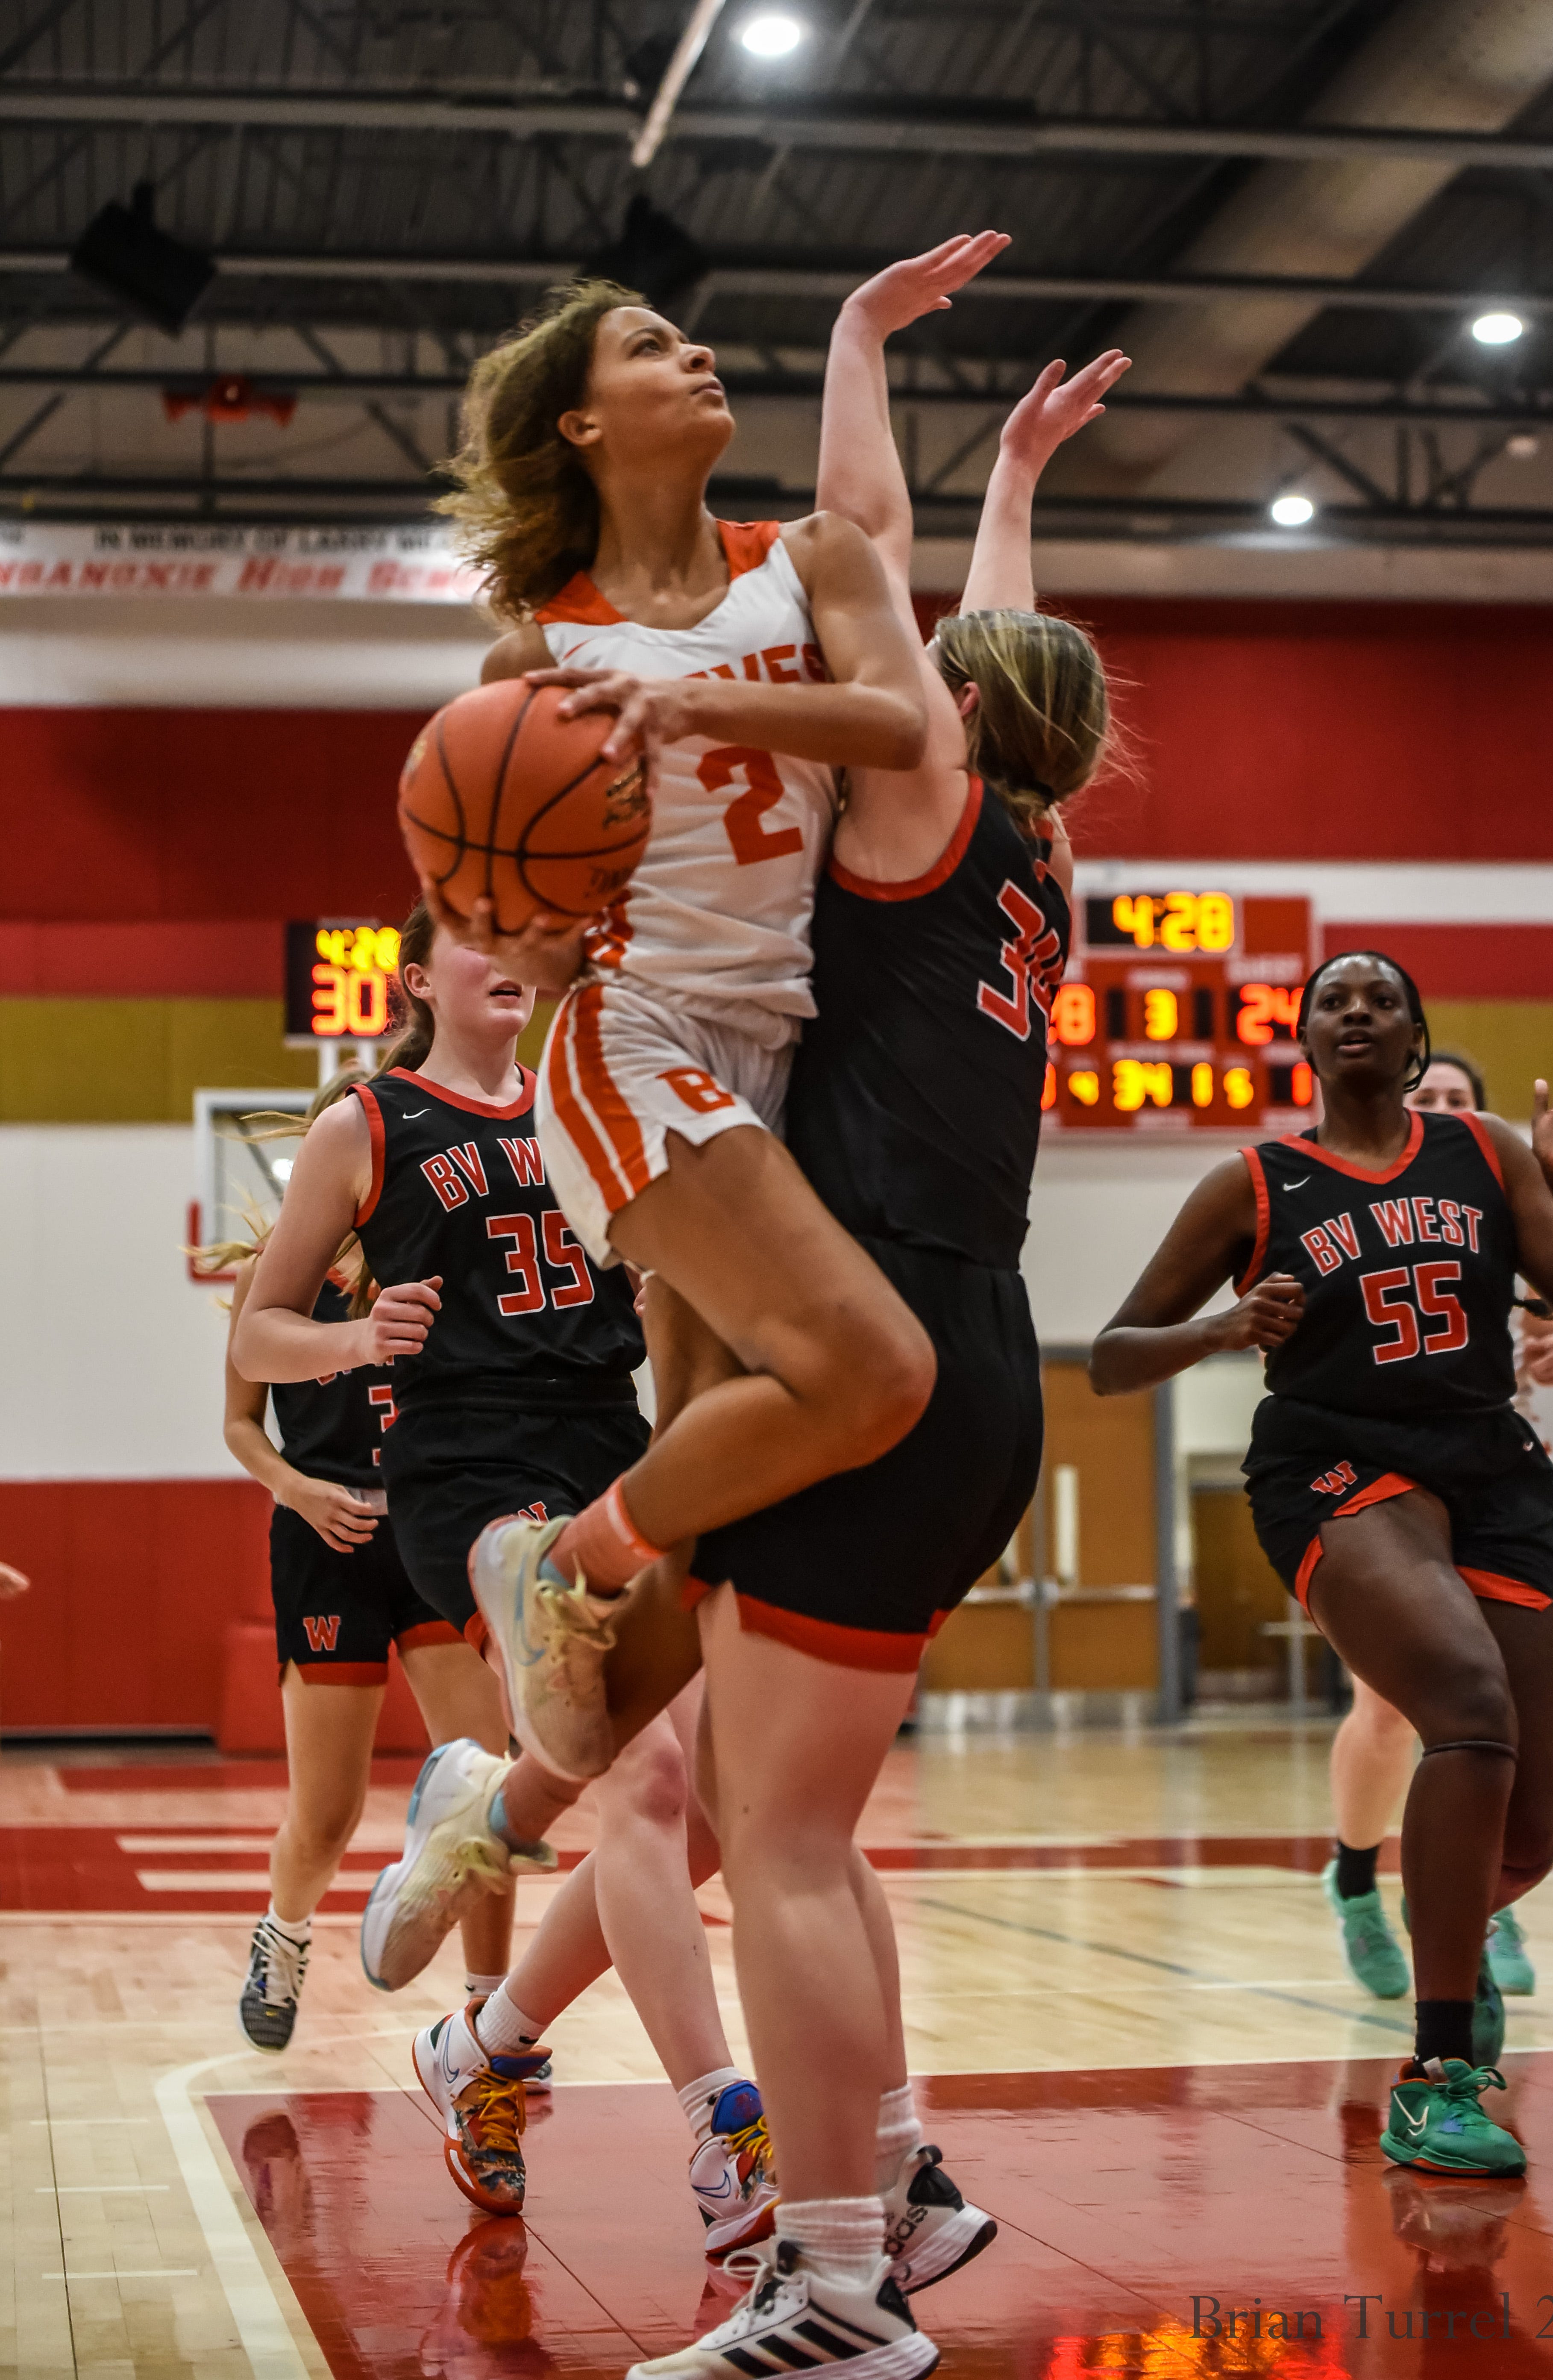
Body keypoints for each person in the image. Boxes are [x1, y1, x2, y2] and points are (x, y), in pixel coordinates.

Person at [616, 238, 1124, 2379]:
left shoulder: (918, 794)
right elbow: (979, 630)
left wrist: (854, 346)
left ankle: (831, 2282)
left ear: (960, 708)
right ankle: (888, 2188)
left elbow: (867, 543)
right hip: (977, 1345)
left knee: (785, 1841)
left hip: (881, 1347)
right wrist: (1015, 475)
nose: (886, 651)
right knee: (800, 1828)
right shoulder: (1037, 859)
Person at [417, 268, 950, 1793]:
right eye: (650, 347)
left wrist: (695, 708)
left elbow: (902, 720)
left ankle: (495, 1812)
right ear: (580, 423)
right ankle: (549, 1564)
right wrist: (501, 916)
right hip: (632, 1035)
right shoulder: (536, 655)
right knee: (871, 1375)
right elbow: (500, 906)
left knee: (714, 1500)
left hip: (785, 1050)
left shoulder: (807, 557)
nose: (698, 352)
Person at [232, 907, 773, 2247]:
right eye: (477, 935)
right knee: (643, 1777)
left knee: (709, 1809)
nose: (507, 956)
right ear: (421, 977)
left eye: (521, 936)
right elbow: (258, 1334)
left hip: (613, 1452)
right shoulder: (367, 1124)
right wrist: (358, 1336)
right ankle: (724, 2127)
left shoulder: (586, 1103)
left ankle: (483, 2040)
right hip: (472, 1475)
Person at [1091, 953, 1553, 2177]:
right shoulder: (1254, 1182)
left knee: (1525, 1842)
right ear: (1303, 1039)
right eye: (1331, 999)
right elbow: (1113, 1355)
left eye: (1379, 1000)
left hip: (1490, 1472)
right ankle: (1436, 2077)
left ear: (1414, 1036)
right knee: (1467, 1705)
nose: (1354, 1012)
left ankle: (1442, 1924)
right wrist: (1221, 1327)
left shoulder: (1489, 1153)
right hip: (1333, 1467)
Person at [198, 1084, 517, 2056]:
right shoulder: (274, 1274)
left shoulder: (438, 1256)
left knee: (486, 1787)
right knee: (327, 1812)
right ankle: (284, 1934)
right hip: (324, 1538)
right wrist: (296, 1489)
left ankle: (495, 2016)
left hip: (433, 1529)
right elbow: (240, 1426)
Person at [1323, 1050, 1553, 2005]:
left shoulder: (1501, 1202)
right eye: (1425, 1096)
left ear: (1483, 1115)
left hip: (1492, 1486)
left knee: (1491, 1707)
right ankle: (1354, 1882)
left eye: (1458, 1099)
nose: (1439, 1108)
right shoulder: (1342, 1197)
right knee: (1392, 1708)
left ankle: (1487, 1900)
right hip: (1376, 1483)